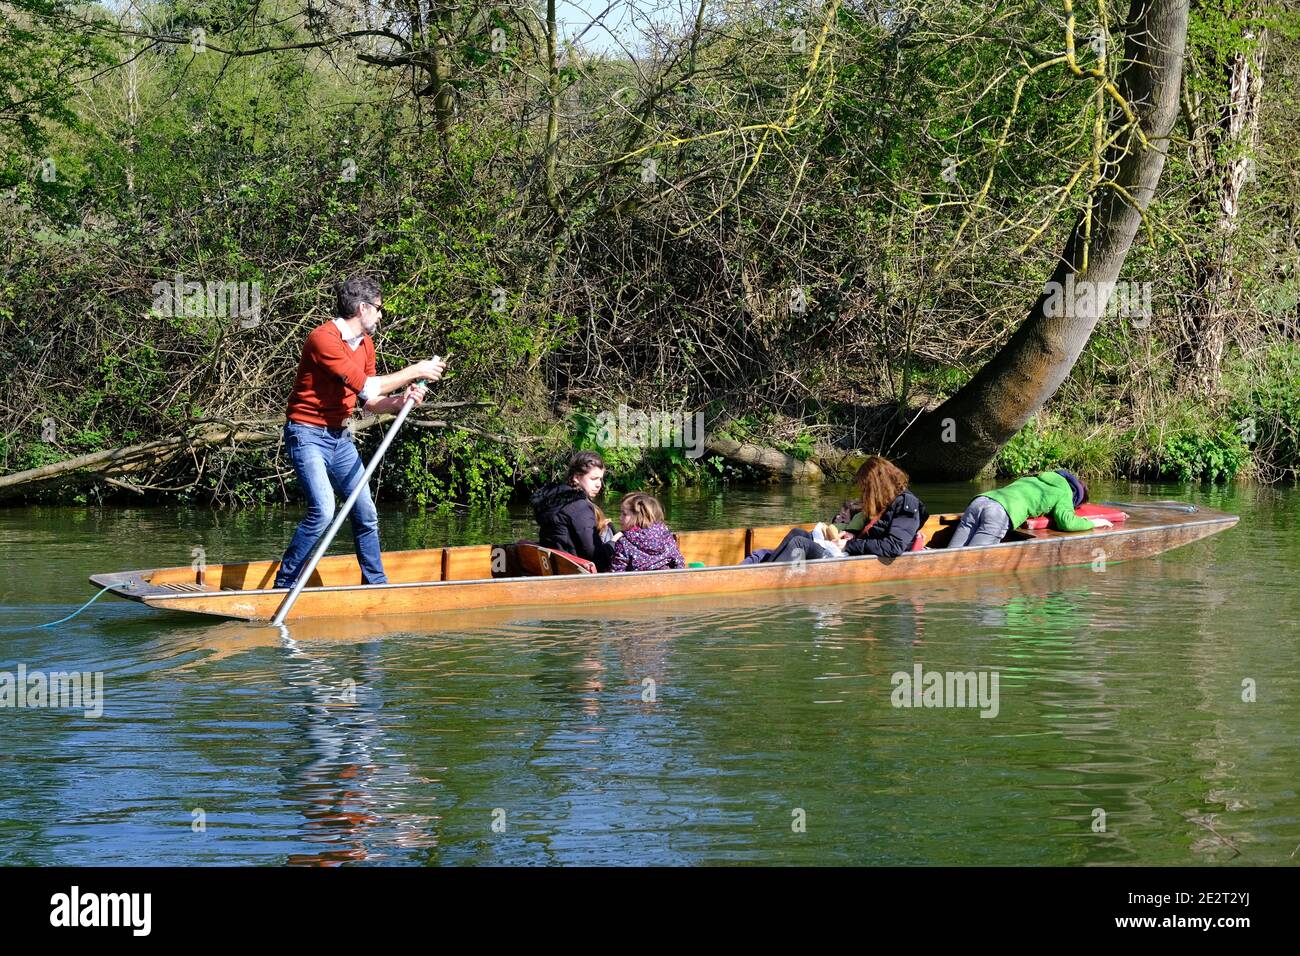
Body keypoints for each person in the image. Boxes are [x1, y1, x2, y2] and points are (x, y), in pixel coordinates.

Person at [273, 277, 447, 589]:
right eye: (379, 309)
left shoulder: (366, 344)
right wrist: (416, 370)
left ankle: (375, 584)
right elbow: (367, 385)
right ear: (362, 308)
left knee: (365, 512)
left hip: (340, 438)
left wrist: (400, 401)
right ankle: (284, 583)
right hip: (307, 434)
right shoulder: (323, 340)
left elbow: (371, 402)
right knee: (324, 511)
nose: (381, 315)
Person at [753, 456, 928, 563]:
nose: (863, 492)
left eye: (865, 488)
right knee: (797, 533)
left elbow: (893, 546)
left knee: (800, 544)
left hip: (861, 560)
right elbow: (873, 532)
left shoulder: (907, 505)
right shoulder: (884, 501)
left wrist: (850, 545)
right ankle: (763, 569)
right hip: (855, 552)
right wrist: (853, 534)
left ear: (878, 486)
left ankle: (766, 577)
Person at [946, 469, 1112, 549]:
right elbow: (1066, 522)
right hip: (999, 512)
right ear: (1077, 497)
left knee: (951, 555)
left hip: (979, 501)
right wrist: (1093, 523)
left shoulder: (1033, 478)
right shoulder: (1066, 492)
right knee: (973, 558)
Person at [530, 450, 615, 571]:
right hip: (575, 571)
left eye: (600, 479)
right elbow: (594, 553)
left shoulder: (552, 502)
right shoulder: (579, 507)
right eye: (593, 478)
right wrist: (613, 544)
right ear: (576, 477)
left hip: (557, 567)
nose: (599, 485)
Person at [609, 492, 686, 573]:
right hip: (665, 581)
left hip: (637, 584)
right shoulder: (665, 535)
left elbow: (617, 573)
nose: (620, 517)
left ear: (639, 517)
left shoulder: (624, 542)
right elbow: (679, 561)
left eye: (624, 514)